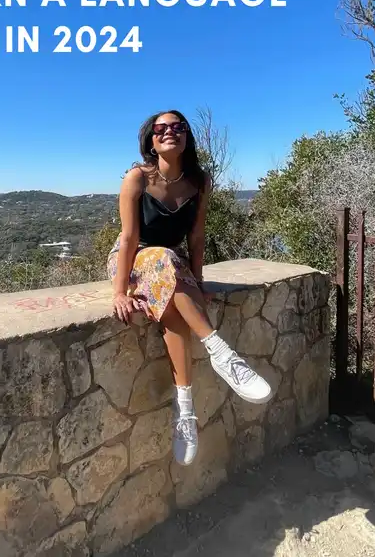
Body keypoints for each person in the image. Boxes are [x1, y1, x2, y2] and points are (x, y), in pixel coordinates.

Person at [107, 110, 273, 466]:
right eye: (161, 128)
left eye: (178, 127)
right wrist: (120, 292)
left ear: (186, 137)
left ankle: (184, 410)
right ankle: (222, 354)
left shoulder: (200, 182)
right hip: (133, 260)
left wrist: (197, 282)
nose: (170, 131)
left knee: (173, 309)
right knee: (165, 259)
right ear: (150, 140)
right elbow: (129, 237)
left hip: (171, 265)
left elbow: (196, 237)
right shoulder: (137, 178)